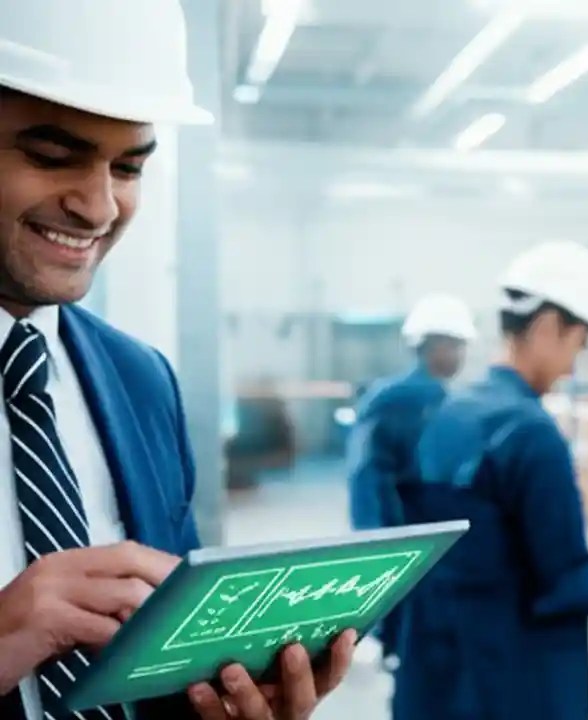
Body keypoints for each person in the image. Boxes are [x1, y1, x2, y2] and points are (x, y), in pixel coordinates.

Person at [0, 3, 354, 719]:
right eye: (51, 155)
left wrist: (226, 700)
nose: (99, 207)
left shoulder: (141, 381)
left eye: (128, 167)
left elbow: (165, 665)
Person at [394, 241, 588, 720]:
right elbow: (568, 582)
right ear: (547, 327)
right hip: (517, 681)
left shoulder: (449, 415)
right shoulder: (530, 433)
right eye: (578, 344)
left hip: (438, 674)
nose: (572, 365)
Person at [346, 293, 476, 665]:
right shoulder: (399, 399)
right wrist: (372, 531)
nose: (459, 356)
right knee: (409, 612)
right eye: (454, 346)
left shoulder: (439, 398)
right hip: (403, 523)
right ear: (432, 346)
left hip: (423, 527)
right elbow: (367, 471)